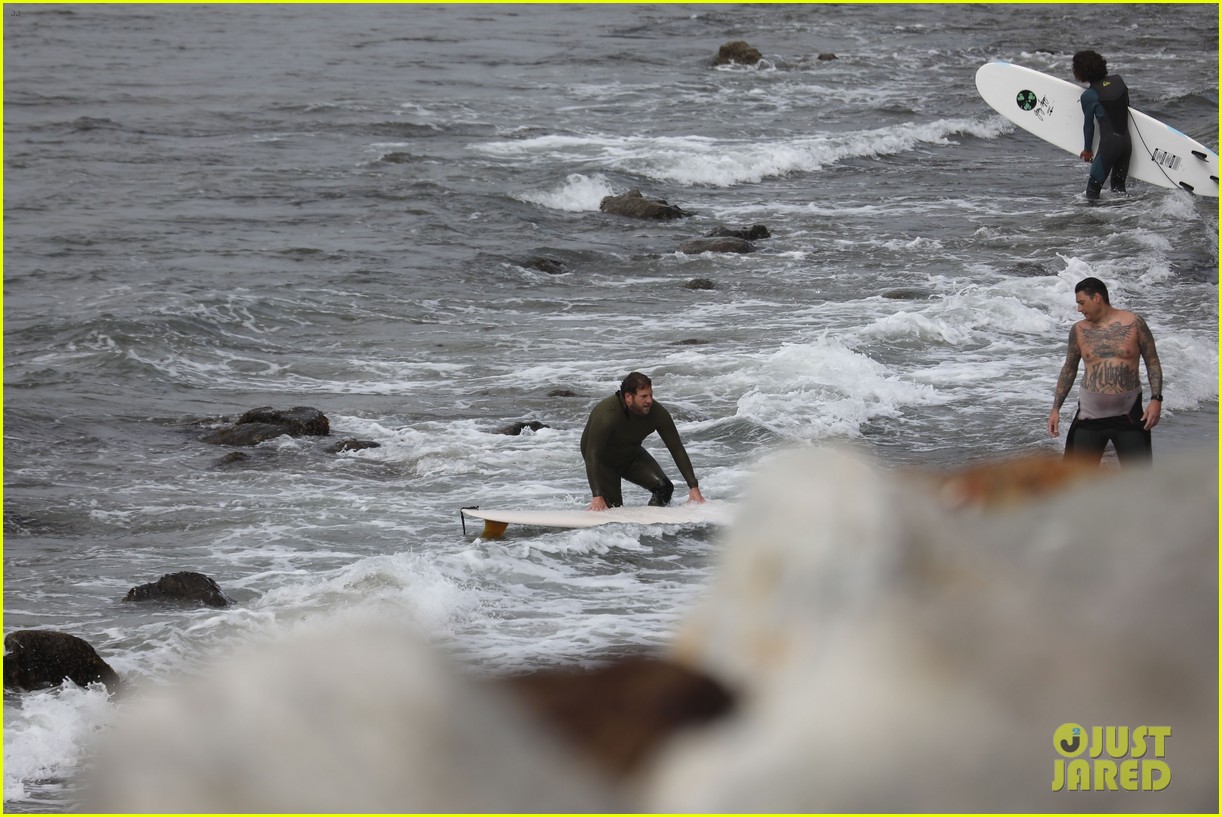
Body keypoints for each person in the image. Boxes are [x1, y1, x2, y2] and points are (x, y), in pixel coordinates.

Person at [1047, 277, 1163, 465]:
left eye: (1082, 303)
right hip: (1089, 417)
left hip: (1128, 415)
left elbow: (1152, 362)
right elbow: (1069, 369)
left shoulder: (1134, 323)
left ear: (1097, 298)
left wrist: (1156, 399)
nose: (1079, 309)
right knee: (1077, 478)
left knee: (1139, 478)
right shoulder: (1078, 330)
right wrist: (1055, 409)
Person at [581, 371, 706, 510]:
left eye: (651, 395)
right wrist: (597, 495)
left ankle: (651, 519)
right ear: (628, 397)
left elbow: (676, 448)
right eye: (644, 396)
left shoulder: (657, 413)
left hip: (631, 455)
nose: (649, 400)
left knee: (664, 488)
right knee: (614, 510)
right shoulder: (607, 414)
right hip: (603, 462)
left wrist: (693, 487)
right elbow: (592, 455)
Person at [1072, 50, 1131, 200]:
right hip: (1126, 144)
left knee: (1092, 193)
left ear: (1081, 73)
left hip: (1109, 147)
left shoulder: (1089, 96)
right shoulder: (1118, 81)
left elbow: (1088, 126)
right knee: (1119, 190)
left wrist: (1087, 150)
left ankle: (1094, 217)